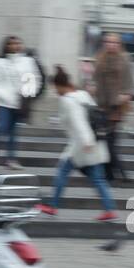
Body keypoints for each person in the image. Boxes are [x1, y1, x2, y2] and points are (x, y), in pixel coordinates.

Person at [35, 66, 117, 221]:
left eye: (55, 88)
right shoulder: (83, 95)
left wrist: (86, 140)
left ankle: (53, 205)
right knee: (97, 177)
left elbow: (79, 122)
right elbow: (94, 116)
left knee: (63, 171)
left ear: (60, 86)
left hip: (82, 145)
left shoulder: (67, 101)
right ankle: (110, 209)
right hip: (95, 142)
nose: (55, 91)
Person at [0, 35, 42, 171]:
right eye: (12, 43)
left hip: (20, 101)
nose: (15, 46)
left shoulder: (28, 61)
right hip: (3, 101)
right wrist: (4, 96)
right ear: (6, 46)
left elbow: (34, 78)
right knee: (2, 127)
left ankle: (11, 159)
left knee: (13, 131)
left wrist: (27, 95)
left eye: (18, 43)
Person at [93, 32, 134, 182]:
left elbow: (129, 82)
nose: (111, 45)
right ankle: (112, 172)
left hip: (117, 106)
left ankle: (118, 172)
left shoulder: (125, 59)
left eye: (114, 42)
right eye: (108, 42)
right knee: (105, 141)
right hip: (102, 104)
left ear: (119, 44)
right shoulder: (99, 59)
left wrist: (126, 94)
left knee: (111, 140)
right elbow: (95, 79)